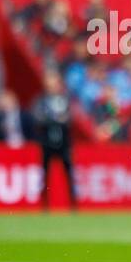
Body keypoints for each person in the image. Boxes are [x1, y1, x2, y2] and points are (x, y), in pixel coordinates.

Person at [33, 72, 77, 211]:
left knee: (68, 173)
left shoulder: (65, 100)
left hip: (64, 143)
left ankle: (73, 204)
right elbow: (38, 119)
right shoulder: (41, 100)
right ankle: (44, 204)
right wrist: (56, 120)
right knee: (45, 174)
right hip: (47, 143)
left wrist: (55, 120)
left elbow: (70, 119)